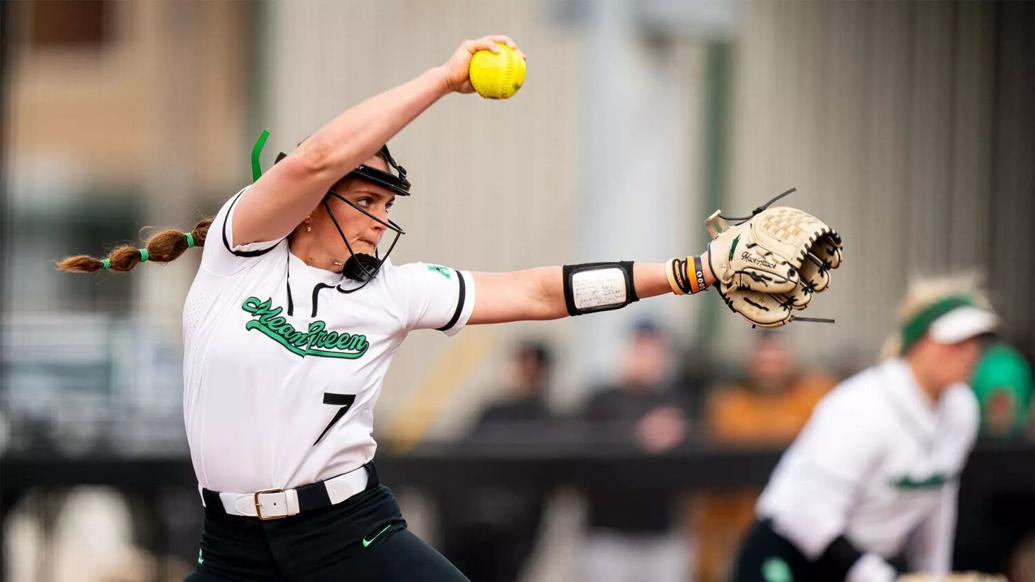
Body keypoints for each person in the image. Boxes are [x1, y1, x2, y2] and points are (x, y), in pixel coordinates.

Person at [55, 35, 758, 581]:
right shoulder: (239, 256)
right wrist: (445, 80)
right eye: (363, 200)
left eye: (385, 205)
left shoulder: (391, 289)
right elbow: (315, 158)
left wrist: (688, 272)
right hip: (232, 546)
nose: (376, 220)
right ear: (306, 205)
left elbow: (538, 292)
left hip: (345, 533)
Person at [731, 277, 999, 582]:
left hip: (862, 560)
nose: (968, 354)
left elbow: (938, 500)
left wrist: (935, 575)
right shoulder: (864, 406)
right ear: (918, 343)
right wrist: (878, 576)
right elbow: (809, 514)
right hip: (790, 553)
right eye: (954, 343)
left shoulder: (962, 409)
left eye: (974, 344)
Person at [696, 331, 835, 581]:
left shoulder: (813, 398)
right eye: (763, 360)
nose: (770, 367)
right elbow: (714, 484)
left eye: (777, 359)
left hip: (804, 530)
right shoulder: (731, 406)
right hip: (745, 526)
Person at [578, 321, 693, 582]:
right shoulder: (600, 399)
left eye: (653, 350)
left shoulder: (678, 400)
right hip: (607, 532)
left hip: (663, 532)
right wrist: (637, 436)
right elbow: (584, 449)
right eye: (640, 349)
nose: (646, 357)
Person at [438, 341, 556, 582]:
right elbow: (459, 456)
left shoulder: (548, 418)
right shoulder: (493, 410)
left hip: (513, 533)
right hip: (468, 526)